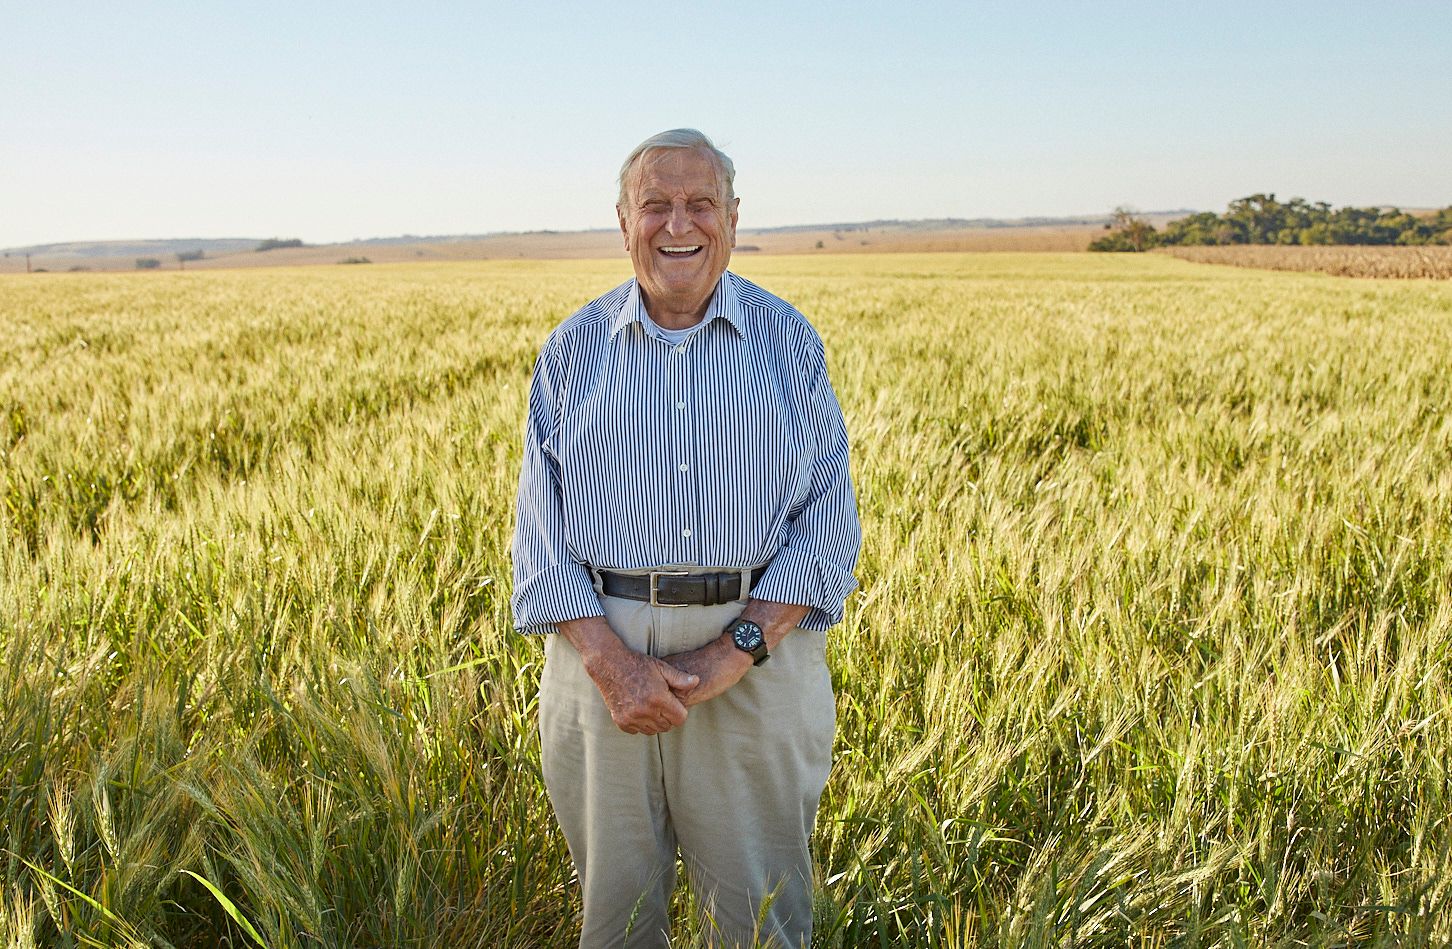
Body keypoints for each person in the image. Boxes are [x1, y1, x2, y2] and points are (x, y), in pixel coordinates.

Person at [511, 128, 861, 948]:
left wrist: (736, 648)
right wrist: (609, 660)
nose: (679, 224)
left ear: (733, 218)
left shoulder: (789, 344)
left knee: (761, 920)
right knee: (616, 921)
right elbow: (539, 535)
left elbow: (828, 526)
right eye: (656, 204)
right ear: (624, 219)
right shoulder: (572, 350)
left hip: (757, 658)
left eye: (700, 203)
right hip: (598, 656)